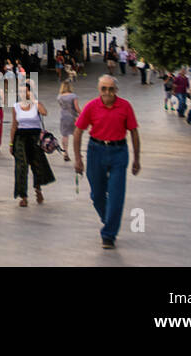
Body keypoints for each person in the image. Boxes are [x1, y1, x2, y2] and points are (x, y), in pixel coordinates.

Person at [73, 75, 141, 249]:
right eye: (104, 89)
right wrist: (78, 159)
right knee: (97, 195)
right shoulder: (91, 106)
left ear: (116, 90)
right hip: (96, 151)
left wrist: (137, 159)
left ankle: (108, 235)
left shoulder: (125, 106)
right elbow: (78, 131)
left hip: (119, 152)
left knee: (116, 195)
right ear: (99, 90)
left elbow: (133, 132)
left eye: (111, 89)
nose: (107, 92)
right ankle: (109, 218)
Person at [11, 82, 55, 206]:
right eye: (21, 91)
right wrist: (11, 143)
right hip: (20, 137)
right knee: (21, 167)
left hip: (35, 137)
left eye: (25, 91)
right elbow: (14, 125)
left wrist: (33, 99)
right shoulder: (16, 106)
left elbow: (44, 112)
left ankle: (38, 189)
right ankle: (23, 196)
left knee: (38, 164)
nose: (23, 94)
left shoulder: (36, 104)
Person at [57, 81, 80, 162]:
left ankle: (65, 153)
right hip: (73, 117)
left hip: (63, 117)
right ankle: (78, 153)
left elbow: (61, 106)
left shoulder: (59, 97)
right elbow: (76, 107)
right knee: (76, 135)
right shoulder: (73, 96)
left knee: (65, 135)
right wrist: (81, 114)